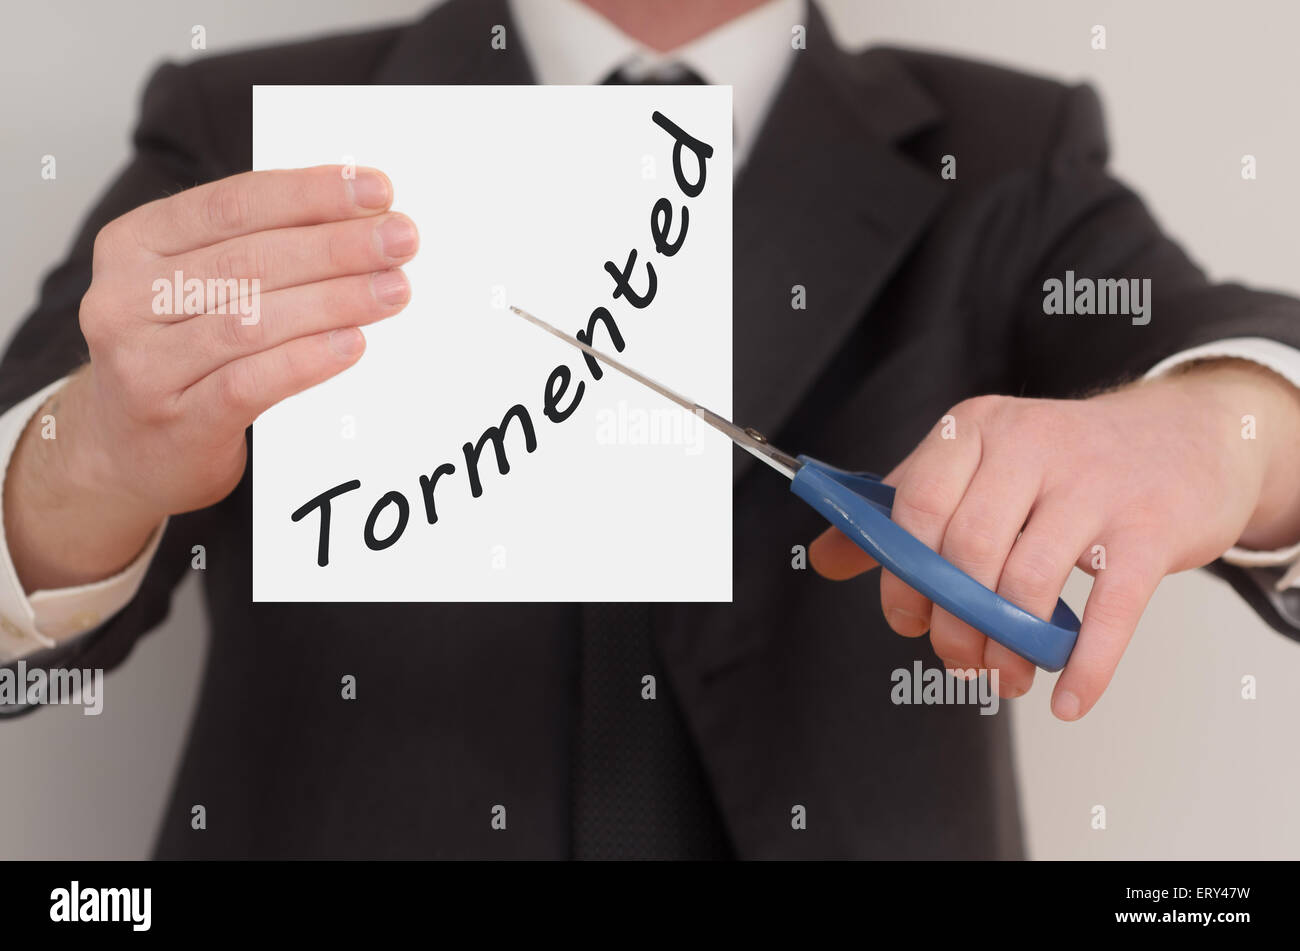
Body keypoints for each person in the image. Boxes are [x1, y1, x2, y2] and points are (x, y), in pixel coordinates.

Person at [1, 0, 1298, 859]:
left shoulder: (1005, 152)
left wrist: (1216, 433)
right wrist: (100, 456)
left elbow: (1241, 359)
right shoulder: (245, 127)